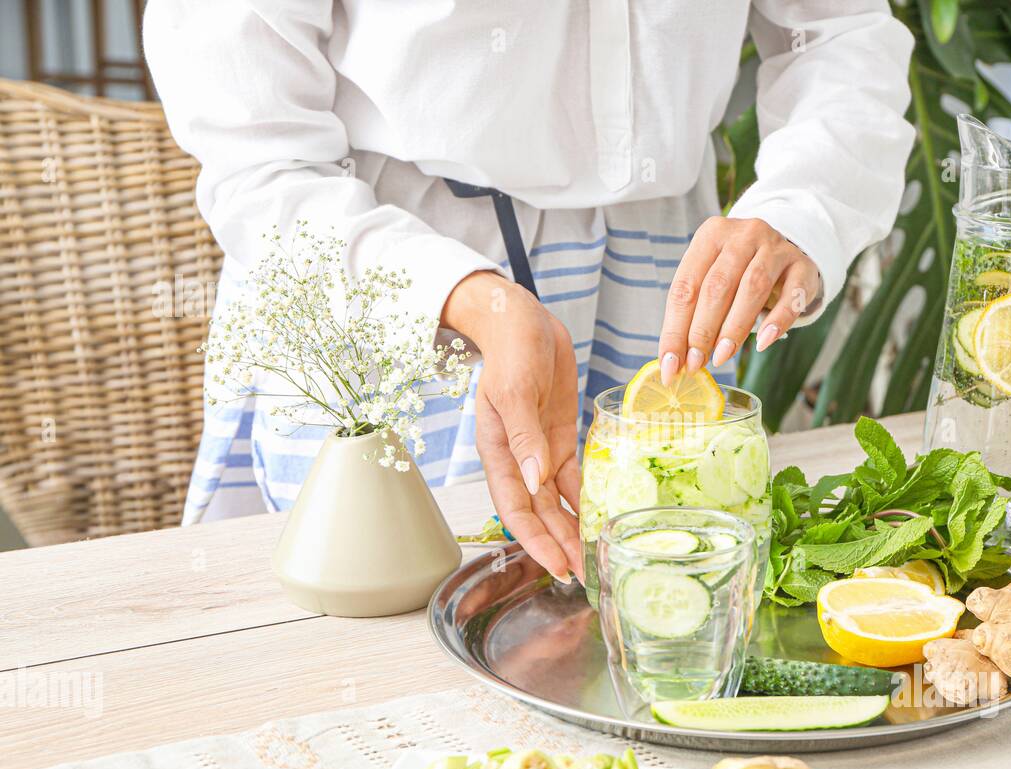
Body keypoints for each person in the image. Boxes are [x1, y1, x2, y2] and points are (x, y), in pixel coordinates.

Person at [144, 1, 914, 583]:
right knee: (374, 661)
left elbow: (841, 29)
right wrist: (472, 300)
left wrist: (798, 208)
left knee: (660, 632)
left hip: (656, 285)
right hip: (383, 278)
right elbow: (253, 151)